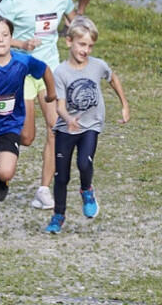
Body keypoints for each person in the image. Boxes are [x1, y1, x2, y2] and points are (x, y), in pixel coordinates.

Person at [0, 0, 76, 210]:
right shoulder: (14, 0)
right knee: (27, 137)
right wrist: (21, 43)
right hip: (21, 71)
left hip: (50, 70)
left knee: (56, 129)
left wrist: (75, 37)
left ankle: (43, 189)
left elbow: (75, 20)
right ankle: (2, 156)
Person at [0, 14, 56, 240]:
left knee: (5, 170)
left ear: (11, 38)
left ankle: (2, 178)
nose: (0, 40)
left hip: (9, 125)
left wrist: (52, 93)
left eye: (5, 35)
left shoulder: (22, 61)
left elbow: (44, 69)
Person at [45, 18, 129, 233]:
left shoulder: (97, 65)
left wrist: (124, 105)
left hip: (91, 125)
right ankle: (58, 215)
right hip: (66, 129)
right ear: (69, 41)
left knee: (84, 163)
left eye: (90, 46)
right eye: (82, 44)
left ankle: (86, 190)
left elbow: (112, 78)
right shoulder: (60, 72)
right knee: (61, 176)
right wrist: (68, 119)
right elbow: (59, 106)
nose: (86, 50)